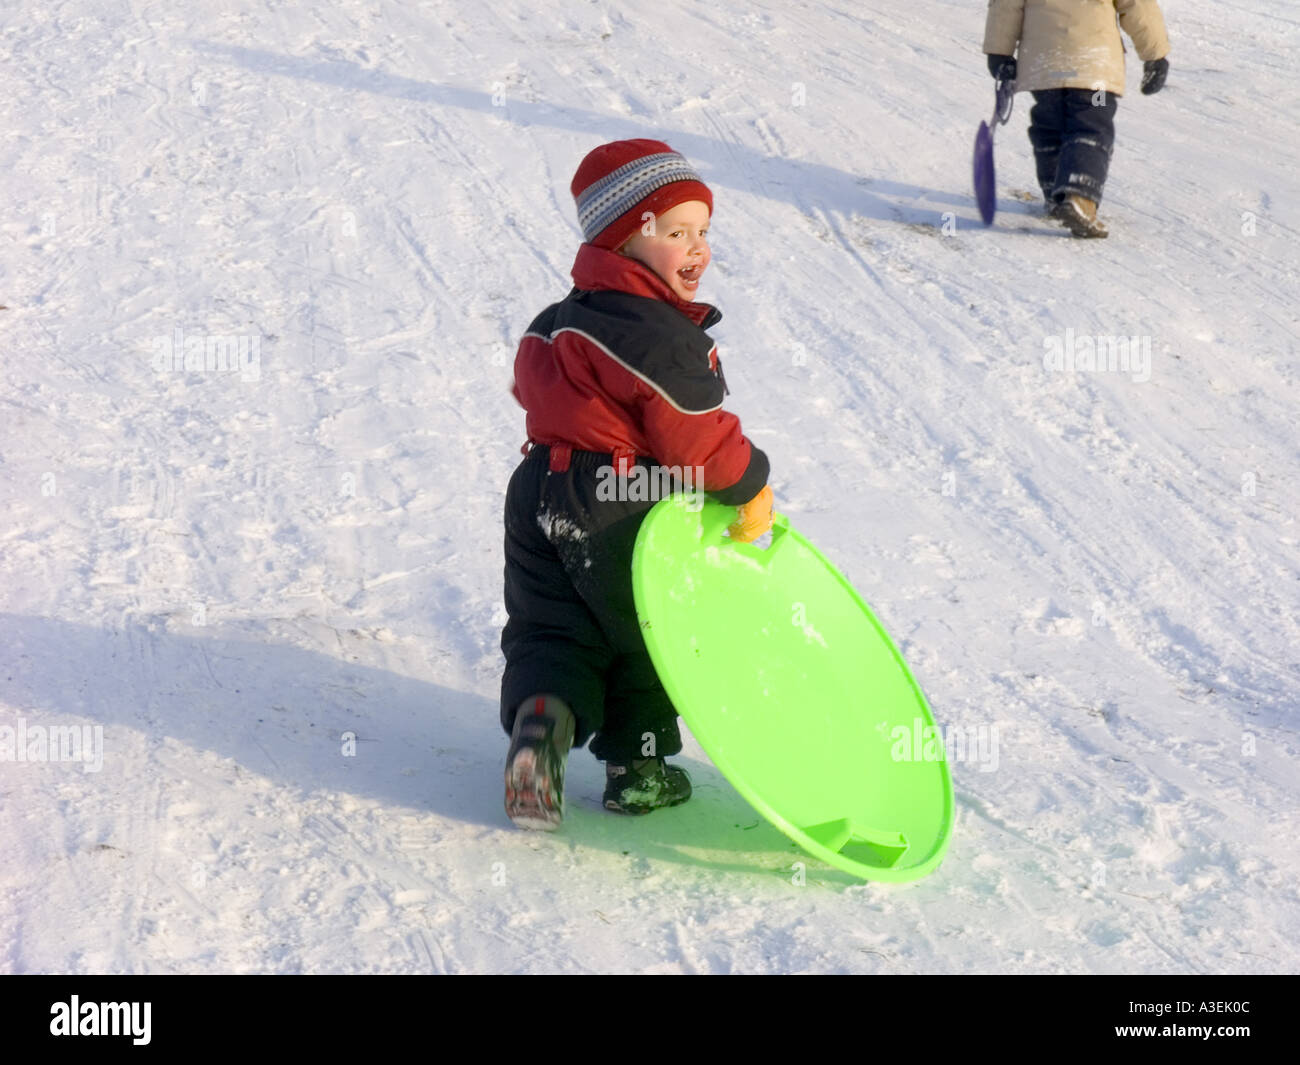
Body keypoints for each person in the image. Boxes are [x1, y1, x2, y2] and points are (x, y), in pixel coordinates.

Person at [500, 138, 774, 830]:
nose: (697, 248)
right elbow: (695, 438)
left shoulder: (556, 319)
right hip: (620, 501)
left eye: (703, 231)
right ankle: (639, 770)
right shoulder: (654, 332)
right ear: (625, 239)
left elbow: (527, 384)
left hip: (537, 491)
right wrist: (750, 481)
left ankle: (542, 727)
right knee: (653, 630)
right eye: (675, 232)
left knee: (554, 628)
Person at [983, 0, 1171, 238]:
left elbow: (1006, 5)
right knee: (1093, 123)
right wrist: (1155, 55)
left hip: (1045, 67)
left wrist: (999, 53)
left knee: (1050, 124)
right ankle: (1078, 194)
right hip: (1095, 73)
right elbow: (1137, 5)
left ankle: (1055, 193)